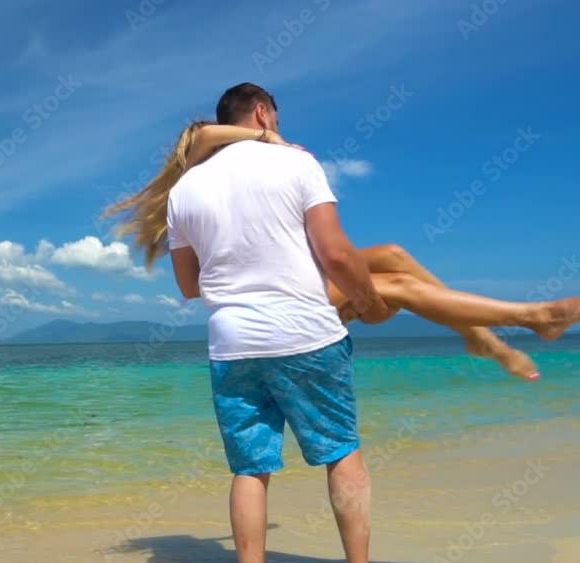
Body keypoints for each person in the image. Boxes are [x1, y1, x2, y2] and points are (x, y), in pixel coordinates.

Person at [101, 82, 580, 563]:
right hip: (301, 326)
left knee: (250, 469)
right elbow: (333, 253)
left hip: (235, 343)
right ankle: (531, 318)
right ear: (265, 113)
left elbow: (190, 287)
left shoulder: (185, 190)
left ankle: (493, 334)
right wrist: (361, 300)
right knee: (342, 447)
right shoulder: (292, 160)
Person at [104, 121, 580, 382]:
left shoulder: (221, 181)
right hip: (268, 299)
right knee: (398, 286)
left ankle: (482, 339)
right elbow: (204, 134)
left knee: (392, 254)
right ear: (263, 114)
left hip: (279, 284)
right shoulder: (202, 172)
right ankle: (534, 315)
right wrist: (270, 138)